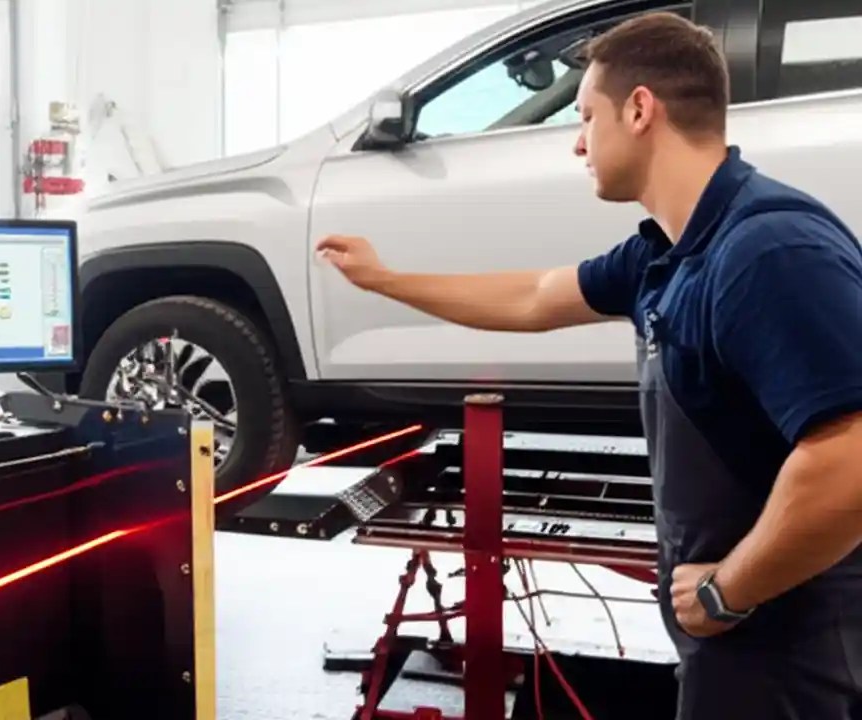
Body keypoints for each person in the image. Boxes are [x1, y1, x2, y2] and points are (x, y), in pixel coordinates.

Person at [317, 12, 862, 719]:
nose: (578, 142)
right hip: (737, 641)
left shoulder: (766, 251)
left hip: (792, 652)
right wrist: (385, 279)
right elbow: (535, 296)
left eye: (585, 116)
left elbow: (850, 454)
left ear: (640, 110)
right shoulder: (667, 255)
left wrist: (731, 588)